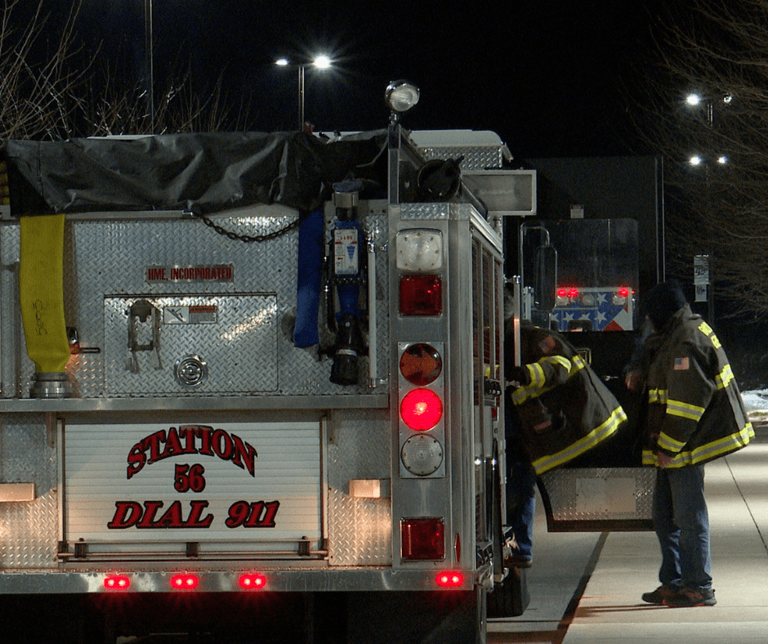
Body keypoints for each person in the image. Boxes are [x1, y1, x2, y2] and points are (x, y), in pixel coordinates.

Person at [625, 280, 754, 607]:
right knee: (665, 517)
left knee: (688, 517)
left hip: (683, 447)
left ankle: (699, 587)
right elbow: (655, 361)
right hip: (672, 447)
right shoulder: (673, 334)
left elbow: (688, 402)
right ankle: (674, 581)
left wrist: (667, 447)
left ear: (660, 312)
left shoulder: (685, 340)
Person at [504, 319, 628, 567]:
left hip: (527, 432)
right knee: (517, 489)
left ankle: (520, 550)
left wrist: (527, 374)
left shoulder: (532, 336)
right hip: (516, 429)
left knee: (520, 488)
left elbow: (560, 364)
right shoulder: (495, 339)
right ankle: (518, 549)